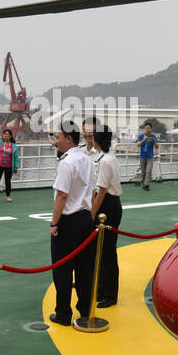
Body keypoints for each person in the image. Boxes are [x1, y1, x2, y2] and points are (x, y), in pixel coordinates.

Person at [48, 122, 94, 326]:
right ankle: (84, 311)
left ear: (68, 138)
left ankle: (64, 314)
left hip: (68, 220)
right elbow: (92, 191)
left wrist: (54, 223)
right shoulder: (86, 159)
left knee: (62, 269)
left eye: (58, 137)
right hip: (86, 218)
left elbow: (62, 196)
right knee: (85, 268)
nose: (56, 141)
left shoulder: (66, 162)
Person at [91, 126, 123, 308]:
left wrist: (93, 212)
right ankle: (102, 290)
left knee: (107, 252)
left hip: (107, 205)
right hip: (113, 204)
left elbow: (101, 190)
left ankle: (110, 294)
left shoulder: (104, 161)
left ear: (96, 140)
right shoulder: (110, 158)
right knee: (103, 251)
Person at [0, 128, 19, 201]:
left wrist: (16, 166)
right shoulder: (0, 143)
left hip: (9, 166)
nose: (5, 136)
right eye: (4, 134)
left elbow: (16, 157)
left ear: (10, 136)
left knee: (7, 181)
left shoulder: (14, 146)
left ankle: (8, 196)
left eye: (7, 134)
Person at [135, 123, 157, 192]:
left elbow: (157, 146)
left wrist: (154, 141)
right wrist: (143, 140)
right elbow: (138, 145)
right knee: (143, 172)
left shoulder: (153, 136)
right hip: (143, 156)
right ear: (145, 129)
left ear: (151, 129)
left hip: (150, 157)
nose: (148, 129)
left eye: (149, 128)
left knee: (148, 171)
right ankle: (144, 184)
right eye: (146, 128)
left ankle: (147, 185)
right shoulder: (141, 136)